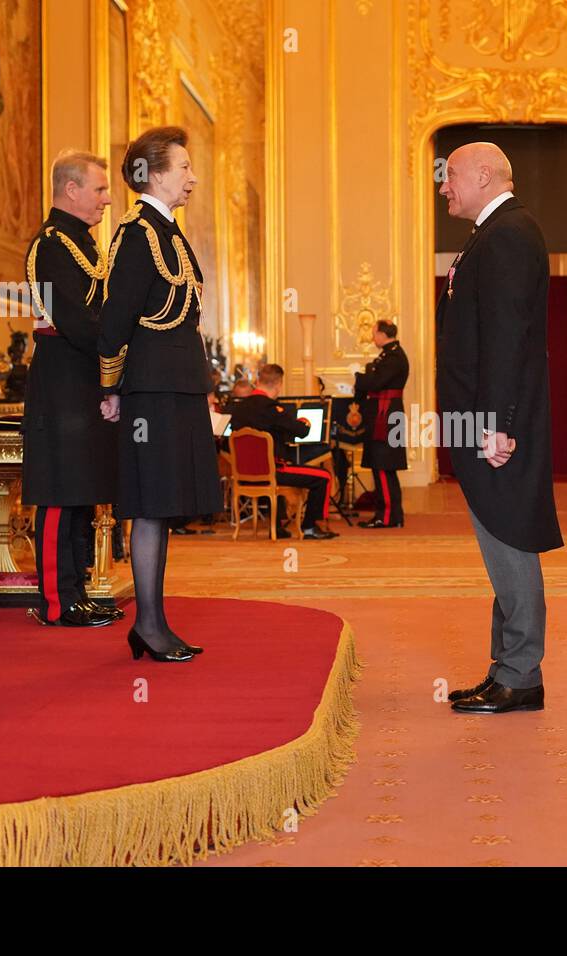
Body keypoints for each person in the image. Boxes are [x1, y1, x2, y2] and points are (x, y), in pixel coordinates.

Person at [436, 142, 562, 715]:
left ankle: (520, 674)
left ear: (484, 175)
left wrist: (497, 426)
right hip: (481, 420)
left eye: (452, 176)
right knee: (499, 539)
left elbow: (508, 338)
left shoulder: (508, 233)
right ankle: (505, 669)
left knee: (508, 539)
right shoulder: (491, 233)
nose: (444, 187)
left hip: (493, 424)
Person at [98, 126, 222, 663]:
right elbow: (114, 321)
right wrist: (111, 388)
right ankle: (148, 624)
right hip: (150, 390)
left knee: (166, 506)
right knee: (149, 507)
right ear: (153, 173)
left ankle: (153, 622)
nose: (193, 177)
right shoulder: (134, 232)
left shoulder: (169, 232)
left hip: (179, 386)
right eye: (184, 167)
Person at [22, 149, 122, 628]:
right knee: (61, 490)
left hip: (84, 375)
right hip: (62, 374)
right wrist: (119, 353)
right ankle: (57, 603)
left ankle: (77, 590)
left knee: (81, 486)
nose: (107, 199)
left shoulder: (83, 243)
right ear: (72, 190)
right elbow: (78, 322)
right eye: (100, 189)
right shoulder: (50, 244)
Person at [227, 364, 338, 540]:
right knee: (323, 477)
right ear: (279, 384)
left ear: (258, 381)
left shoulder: (240, 409)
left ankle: (277, 528)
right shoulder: (273, 409)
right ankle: (310, 527)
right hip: (274, 472)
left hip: (244, 474)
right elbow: (301, 431)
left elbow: (229, 440)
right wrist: (304, 422)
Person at [355, 320, 409, 528]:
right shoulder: (389, 355)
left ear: (382, 334)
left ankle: (386, 517)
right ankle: (391, 515)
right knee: (383, 467)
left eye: (374, 333)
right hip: (383, 415)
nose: (372, 337)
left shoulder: (393, 357)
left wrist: (359, 376)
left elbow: (375, 382)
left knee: (384, 466)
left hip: (386, 417)